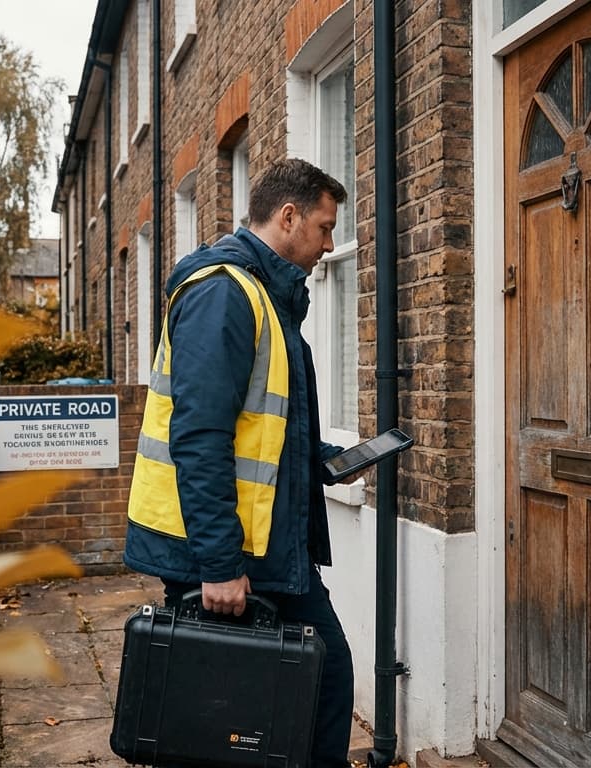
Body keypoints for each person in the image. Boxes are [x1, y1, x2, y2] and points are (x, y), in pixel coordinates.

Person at [125, 157, 354, 767]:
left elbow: (263, 427)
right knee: (238, 716)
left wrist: (328, 461)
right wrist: (220, 566)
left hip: (267, 550)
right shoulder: (225, 293)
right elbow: (199, 437)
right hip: (229, 557)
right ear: (288, 216)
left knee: (270, 710)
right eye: (325, 228)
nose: (329, 246)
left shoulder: (263, 295)